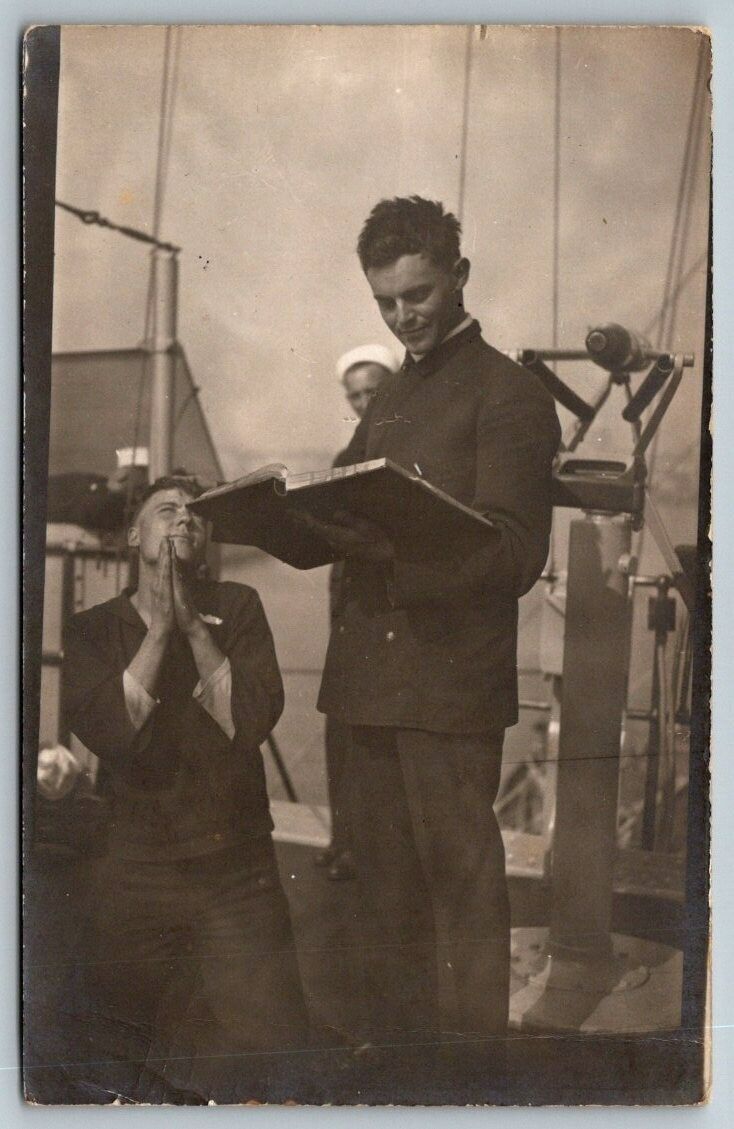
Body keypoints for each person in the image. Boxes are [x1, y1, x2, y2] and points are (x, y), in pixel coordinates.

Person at [309, 196, 561, 1093]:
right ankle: (399, 1061)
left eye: (417, 294)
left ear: (459, 275)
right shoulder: (398, 390)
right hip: (370, 683)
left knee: (460, 886)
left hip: (448, 689)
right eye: (385, 303)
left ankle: (473, 1076)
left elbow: (515, 551)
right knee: (382, 886)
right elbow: (352, 490)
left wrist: (392, 551)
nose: (402, 316)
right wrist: (294, 513)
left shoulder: (510, 394)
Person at [61, 475, 309, 1104]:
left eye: (197, 516)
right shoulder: (92, 627)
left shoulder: (240, 605)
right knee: (115, 1038)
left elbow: (249, 721)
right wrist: (159, 631)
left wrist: (194, 626)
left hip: (235, 864)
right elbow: (110, 732)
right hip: (135, 861)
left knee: (272, 1045)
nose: (184, 522)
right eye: (167, 510)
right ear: (134, 535)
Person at [314, 344, 398, 881]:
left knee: (383, 740)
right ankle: (345, 841)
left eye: (375, 392)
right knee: (342, 730)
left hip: (395, 611)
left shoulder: (411, 449)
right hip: (350, 610)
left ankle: (376, 852)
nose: (365, 403)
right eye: (357, 395)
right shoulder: (348, 456)